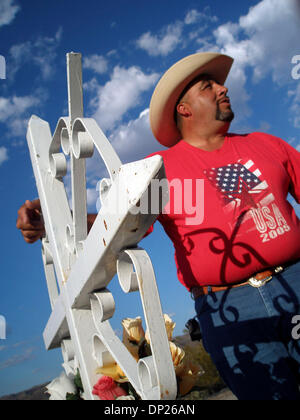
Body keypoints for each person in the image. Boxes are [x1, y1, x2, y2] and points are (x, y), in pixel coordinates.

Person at [17, 52, 300, 400]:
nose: (223, 88)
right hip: (229, 308)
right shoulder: (160, 170)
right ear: (183, 109)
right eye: (209, 86)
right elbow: (118, 222)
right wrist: (51, 222)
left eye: (219, 83)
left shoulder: (266, 144)